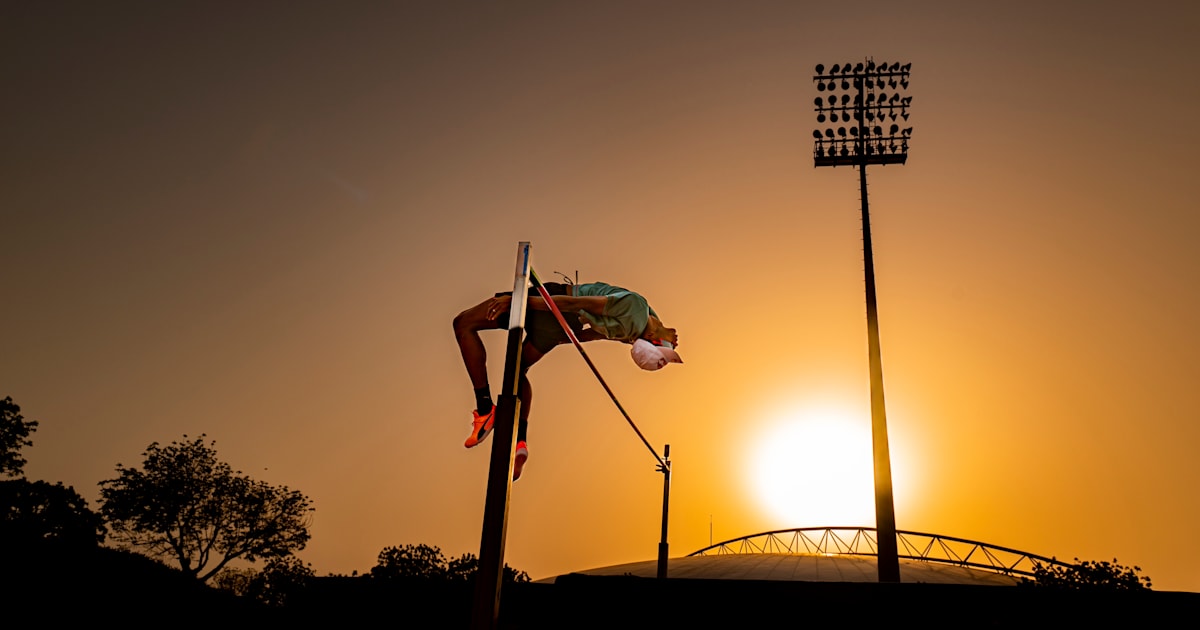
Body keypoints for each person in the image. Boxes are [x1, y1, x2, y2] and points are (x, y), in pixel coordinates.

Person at [451, 281, 681, 480]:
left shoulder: (635, 307)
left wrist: (516, 302)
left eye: (664, 345)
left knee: (463, 323)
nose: (674, 340)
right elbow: (592, 334)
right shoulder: (631, 333)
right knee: (517, 372)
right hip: (561, 326)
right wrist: (562, 338)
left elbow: (573, 303)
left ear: (650, 337)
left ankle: (484, 408)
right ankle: (520, 441)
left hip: (552, 304)